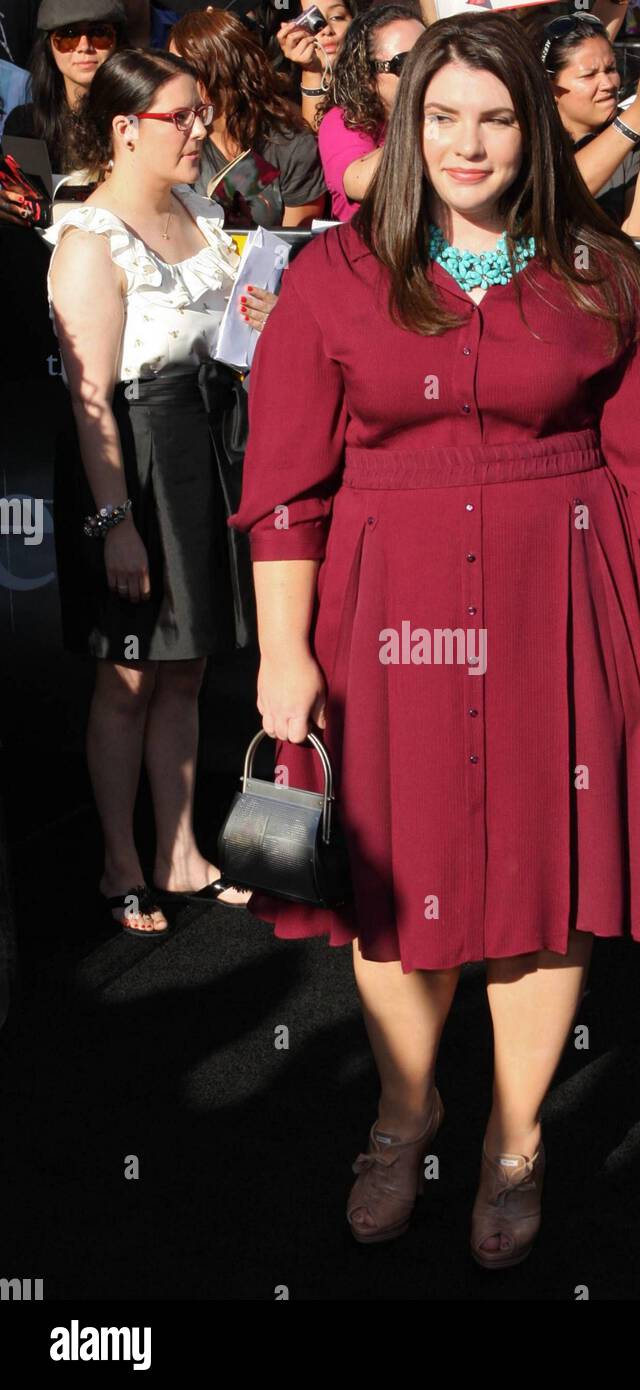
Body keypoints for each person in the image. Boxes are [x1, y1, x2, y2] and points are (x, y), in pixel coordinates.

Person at [228, 14, 640, 1267]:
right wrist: (280, 655)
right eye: (442, 116)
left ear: (535, 129)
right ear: (406, 126)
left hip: (559, 610)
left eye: (496, 117)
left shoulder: (599, 270)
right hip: (381, 613)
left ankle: (514, 1141)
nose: (468, 142)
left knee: (538, 891)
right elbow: (287, 488)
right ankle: (405, 1116)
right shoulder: (332, 277)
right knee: (392, 894)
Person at [43, 48, 268, 937]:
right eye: (184, 117)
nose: (201, 129)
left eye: (202, 112)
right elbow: (90, 397)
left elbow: (234, 338)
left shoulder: (207, 214)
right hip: (133, 463)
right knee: (129, 675)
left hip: (204, 452)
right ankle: (119, 863)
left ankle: (179, 852)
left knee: (188, 669)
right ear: (126, 128)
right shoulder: (88, 239)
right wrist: (114, 525)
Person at [168, 9, 326, 229]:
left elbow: (295, 244)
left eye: (182, 68)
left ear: (220, 69)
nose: (169, 78)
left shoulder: (290, 144)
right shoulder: (172, 133)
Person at [539, 11, 640, 234]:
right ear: (550, 87)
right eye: (589, 75)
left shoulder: (637, 137)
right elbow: (554, 199)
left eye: (611, 69)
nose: (607, 83)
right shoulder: (530, 137)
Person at [316, 3, 426, 221]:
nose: (423, 70)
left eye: (430, 57)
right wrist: (429, 118)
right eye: (405, 63)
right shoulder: (343, 120)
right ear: (366, 75)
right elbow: (365, 183)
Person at [3, 0, 126, 168]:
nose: (84, 47)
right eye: (69, 35)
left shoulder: (139, 120)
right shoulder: (25, 125)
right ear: (49, 46)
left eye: (99, 33)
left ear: (117, 41)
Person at [274, 0, 357, 130]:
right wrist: (311, 70)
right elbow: (321, 140)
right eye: (309, 21)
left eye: (337, 17)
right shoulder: (282, 105)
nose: (326, 29)